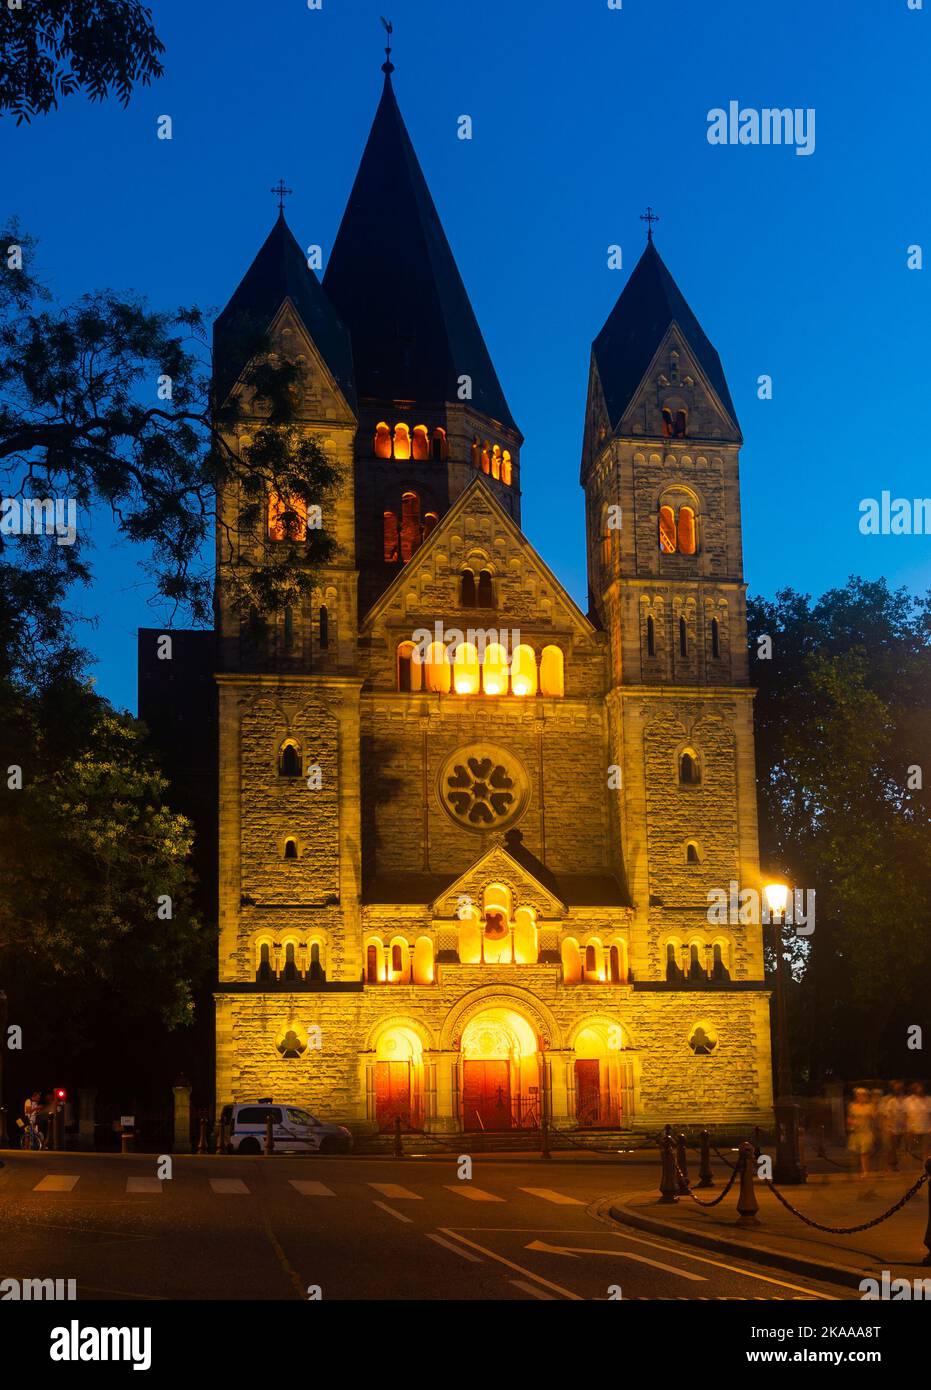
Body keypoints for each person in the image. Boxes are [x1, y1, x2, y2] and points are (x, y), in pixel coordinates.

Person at [846, 1086, 875, 1178]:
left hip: (866, 1131)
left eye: (862, 1095)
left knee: (864, 1152)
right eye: (858, 1095)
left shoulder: (870, 1106)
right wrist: (851, 1122)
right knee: (856, 1152)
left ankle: (865, 1171)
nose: (860, 1097)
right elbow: (849, 1117)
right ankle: (859, 1170)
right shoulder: (852, 1106)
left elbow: (874, 1117)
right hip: (856, 1132)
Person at [879, 1081, 907, 1170]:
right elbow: (884, 1115)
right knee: (891, 1148)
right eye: (896, 1088)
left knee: (902, 1148)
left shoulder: (905, 1099)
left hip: (903, 1128)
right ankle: (891, 1166)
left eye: (900, 1088)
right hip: (890, 1128)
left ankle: (902, 1165)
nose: (898, 1090)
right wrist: (887, 1127)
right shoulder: (886, 1100)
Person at [904, 1081, 931, 1162]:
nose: (920, 1090)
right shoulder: (908, 1100)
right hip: (913, 1129)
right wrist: (908, 1128)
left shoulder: (928, 1099)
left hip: (927, 1129)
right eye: (917, 1088)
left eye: (921, 1088)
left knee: (926, 1150)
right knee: (910, 1150)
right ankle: (909, 1166)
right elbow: (906, 1115)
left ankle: (925, 1168)